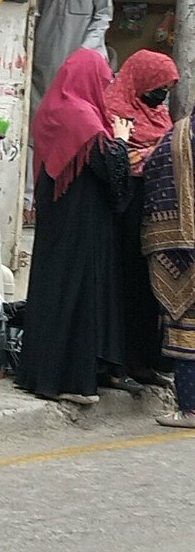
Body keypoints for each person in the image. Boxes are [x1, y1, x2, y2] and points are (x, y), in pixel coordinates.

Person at [16, 48, 134, 404]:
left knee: (52, 293)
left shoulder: (52, 109)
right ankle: (70, 380)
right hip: (82, 224)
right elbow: (110, 169)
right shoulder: (84, 118)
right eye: (103, 78)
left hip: (55, 221)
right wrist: (122, 142)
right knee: (76, 296)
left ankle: (41, 374)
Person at [24, 0, 114, 223]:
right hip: (43, 65)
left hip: (81, 72)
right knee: (37, 129)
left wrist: (83, 57)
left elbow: (103, 15)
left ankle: (70, 202)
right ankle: (31, 200)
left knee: (81, 135)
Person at [105, 50, 179, 384]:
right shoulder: (115, 110)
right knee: (126, 285)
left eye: (167, 87)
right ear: (141, 80)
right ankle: (123, 362)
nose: (161, 94)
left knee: (152, 288)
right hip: (124, 212)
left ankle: (148, 361)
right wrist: (155, 155)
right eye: (158, 85)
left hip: (158, 213)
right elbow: (119, 158)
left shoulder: (160, 114)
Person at [142, 114, 195, 428]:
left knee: (185, 331)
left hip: (180, 250)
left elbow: (153, 171)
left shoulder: (176, 137)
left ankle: (190, 408)